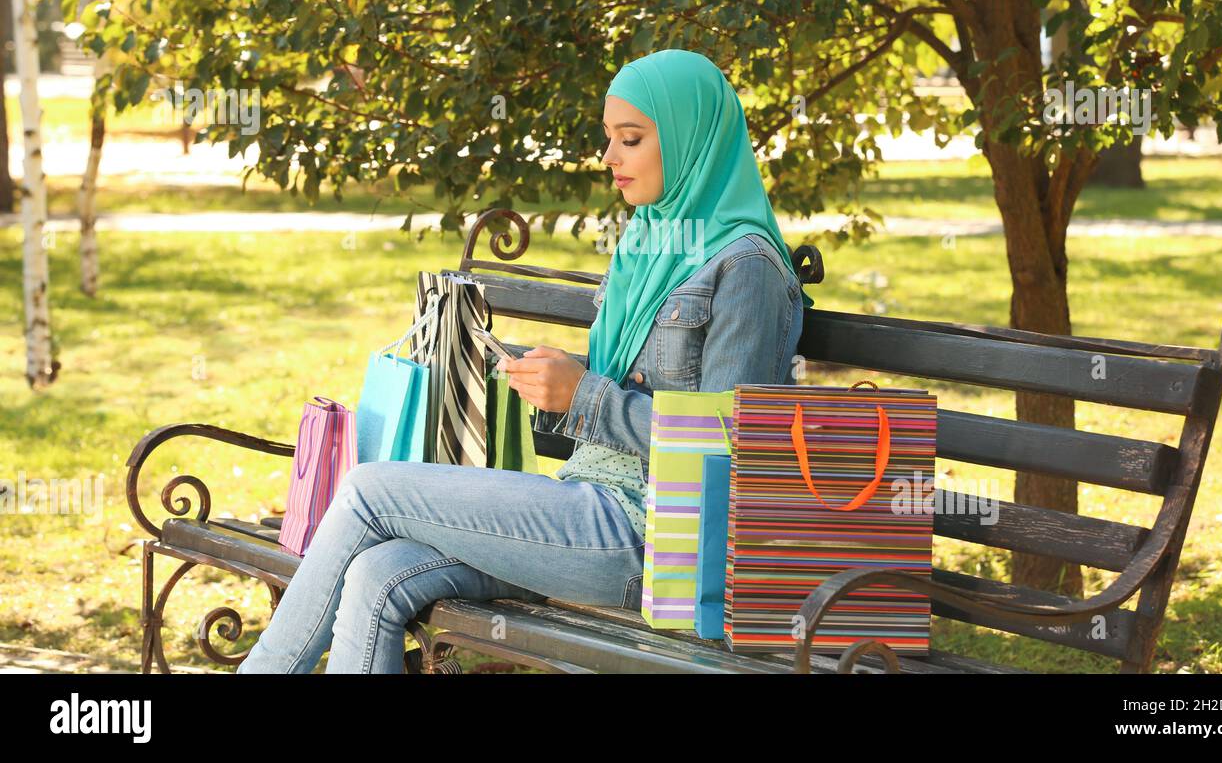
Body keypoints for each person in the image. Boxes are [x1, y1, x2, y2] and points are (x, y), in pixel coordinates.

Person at [236, 48, 812, 673]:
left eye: (632, 139)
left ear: (691, 138)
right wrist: (531, 380)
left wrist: (584, 395)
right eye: (608, 139)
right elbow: (610, 400)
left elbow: (730, 445)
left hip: (656, 541)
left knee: (368, 491)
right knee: (379, 571)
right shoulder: (651, 243)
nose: (610, 157)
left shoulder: (746, 268)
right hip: (583, 509)